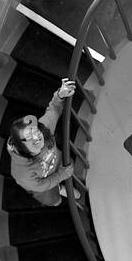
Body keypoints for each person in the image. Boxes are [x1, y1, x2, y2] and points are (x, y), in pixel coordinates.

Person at [6, 77, 81, 207]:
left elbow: (53, 110)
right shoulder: (22, 173)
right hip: (44, 185)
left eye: (34, 131)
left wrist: (60, 95)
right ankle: (59, 189)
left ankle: (60, 184)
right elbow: (41, 185)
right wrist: (60, 176)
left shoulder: (44, 130)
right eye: (29, 138)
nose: (37, 137)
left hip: (57, 163)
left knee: (69, 171)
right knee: (54, 201)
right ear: (21, 147)